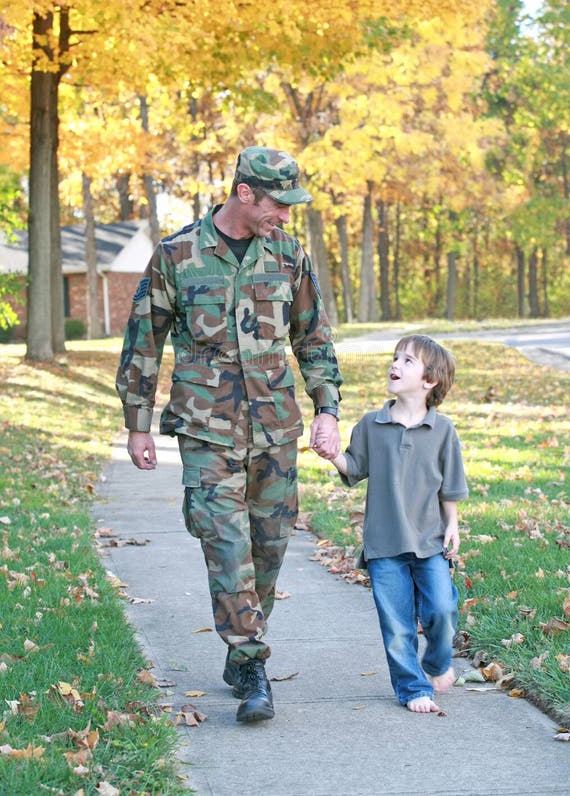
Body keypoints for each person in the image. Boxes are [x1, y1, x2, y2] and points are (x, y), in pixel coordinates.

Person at [116, 146, 342, 723]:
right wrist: (137, 423)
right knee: (226, 547)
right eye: (278, 204)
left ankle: (242, 651)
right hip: (205, 429)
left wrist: (327, 409)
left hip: (275, 431)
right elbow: (144, 341)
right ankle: (251, 661)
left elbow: (312, 338)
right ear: (245, 193)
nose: (286, 216)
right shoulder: (178, 255)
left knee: (269, 547)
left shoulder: (289, 255)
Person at [329, 334, 467, 713]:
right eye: (395, 358)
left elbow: (451, 485)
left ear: (429, 381)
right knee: (397, 625)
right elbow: (354, 469)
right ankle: (412, 688)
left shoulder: (443, 431)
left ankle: (437, 664)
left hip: (431, 540)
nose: (396, 364)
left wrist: (452, 524)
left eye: (408, 361)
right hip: (384, 544)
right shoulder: (372, 425)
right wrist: (332, 454)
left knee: (441, 610)